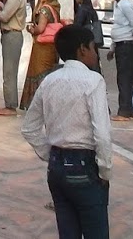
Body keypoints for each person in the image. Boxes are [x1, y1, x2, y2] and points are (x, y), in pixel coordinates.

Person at [22, 25, 112, 239]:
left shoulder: (50, 80)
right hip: (84, 165)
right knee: (96, 230)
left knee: (67, 230)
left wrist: (50, 153)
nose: (95, 53)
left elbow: (29, 127)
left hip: (56, 167)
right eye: (92, 48)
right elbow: (102, 134)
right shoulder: (93, 81)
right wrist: (105, 170)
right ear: (82, 49)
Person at [22, 0, 64, 109]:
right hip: (52, 46)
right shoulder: (55, 7)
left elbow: (40, 28)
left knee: (39, 72)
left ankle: (39, 103)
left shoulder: (45, 9)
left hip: (42, 47)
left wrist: (30, 29)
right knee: (48, 72)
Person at [0, 0, 29, 115]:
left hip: (12, 35)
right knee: (9, 71)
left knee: (9, 72)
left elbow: (4, 17)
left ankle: (10, 106)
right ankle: (10, 103)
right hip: (10, 36)